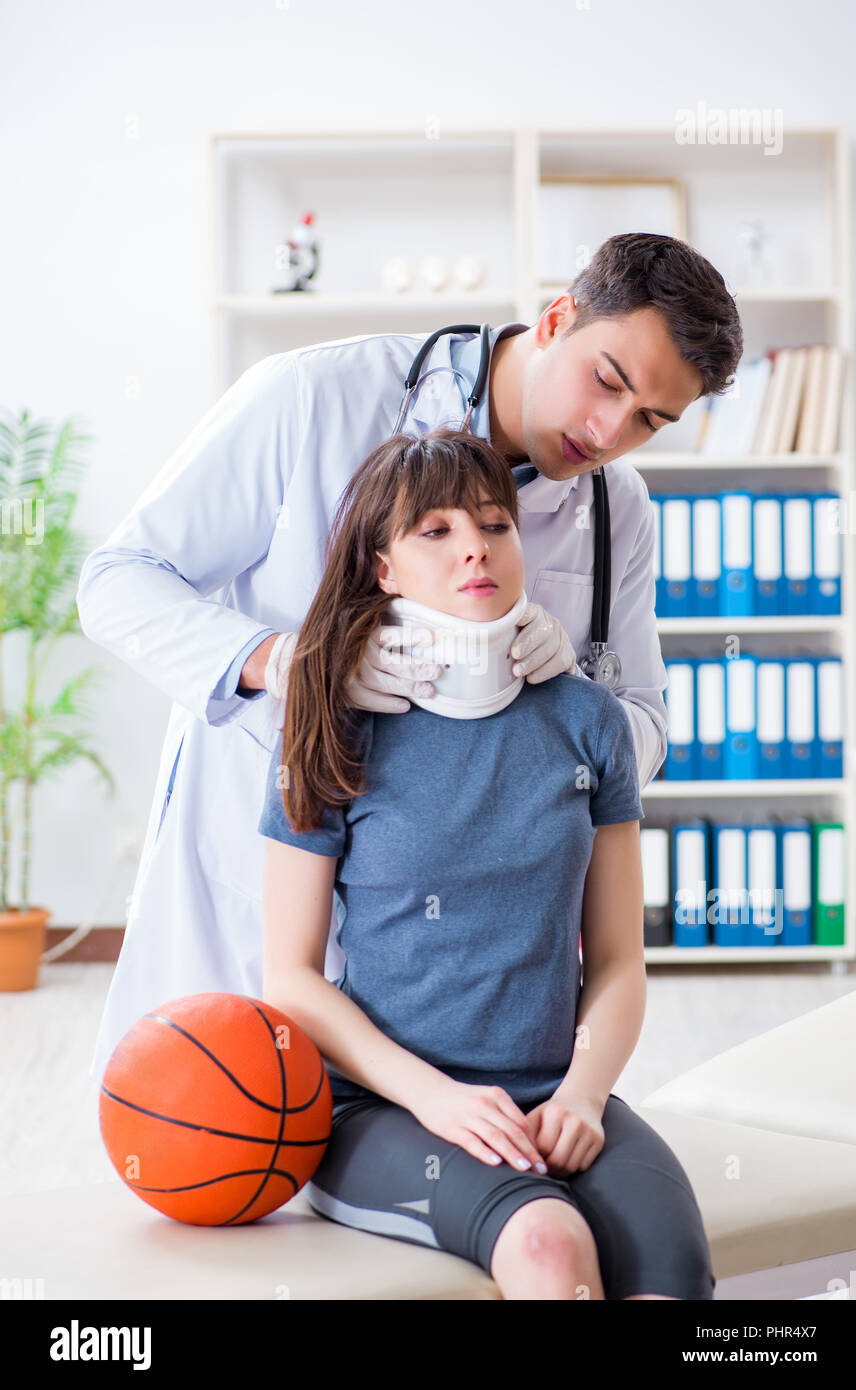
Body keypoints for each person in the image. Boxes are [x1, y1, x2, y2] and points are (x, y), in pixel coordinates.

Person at [78, 231, 742, 1083]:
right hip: (259, 894)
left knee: (419, 1194)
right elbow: (118, 579)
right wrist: (290, 663)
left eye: (651, 419)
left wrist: (571, 697)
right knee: (213, 1164)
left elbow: (642, 728)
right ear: (556, 318)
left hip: (459, 967)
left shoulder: (618, 511)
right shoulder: (313, 398)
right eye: (607, 380)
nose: (609, 430)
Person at [258, 426, 717, 1301]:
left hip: (553, 1090)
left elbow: (618, 959)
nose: (473, 545)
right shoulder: (331, 725)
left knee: (670, 1276)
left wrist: (582, 1095)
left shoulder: (588, 722)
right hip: (385, 1109)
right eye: (433, 531)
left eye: (491, 524)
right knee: (547, 1244)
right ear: (382, 569)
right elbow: (289, 977)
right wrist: (435, 1098)